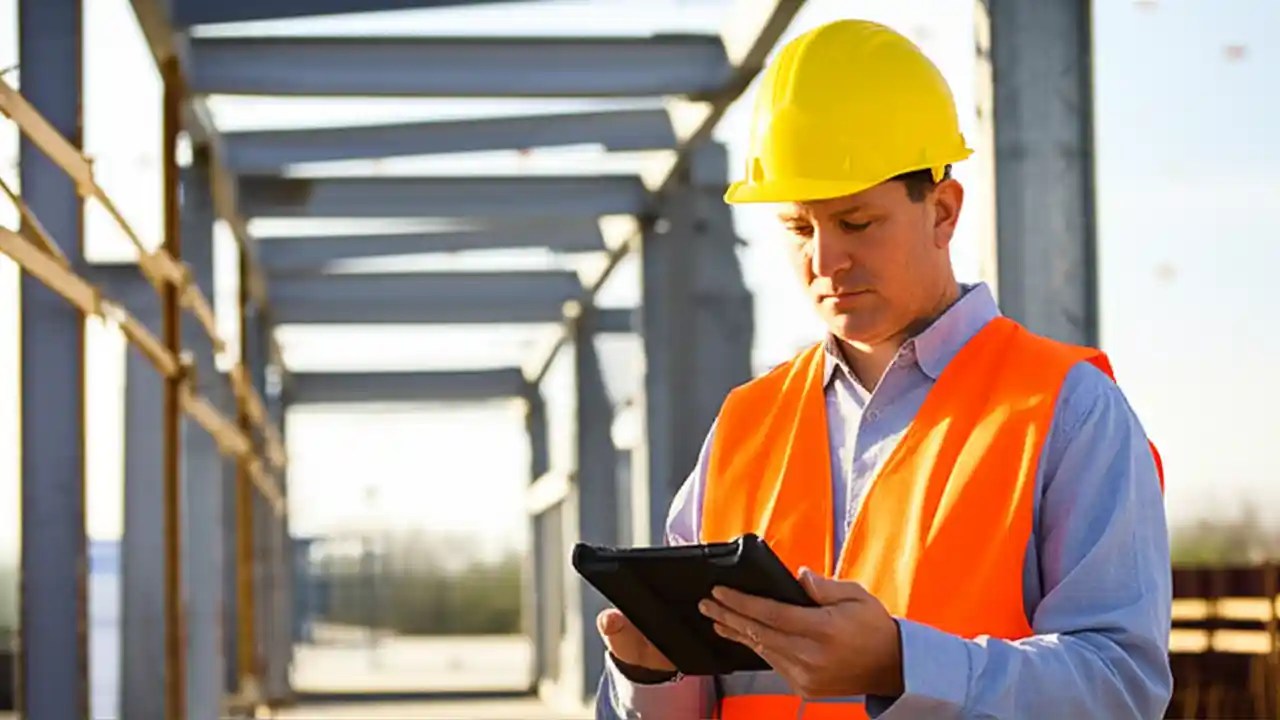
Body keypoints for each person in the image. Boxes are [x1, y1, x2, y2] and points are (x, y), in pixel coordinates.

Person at [592, 18, 1172, 720]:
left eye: (856, 222)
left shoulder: (1068, 411)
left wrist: (902, 664)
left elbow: (1121, 687)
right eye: (799, 228)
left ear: (943, 212)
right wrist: (648, 674)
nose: (824, 261)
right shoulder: (746, 423)